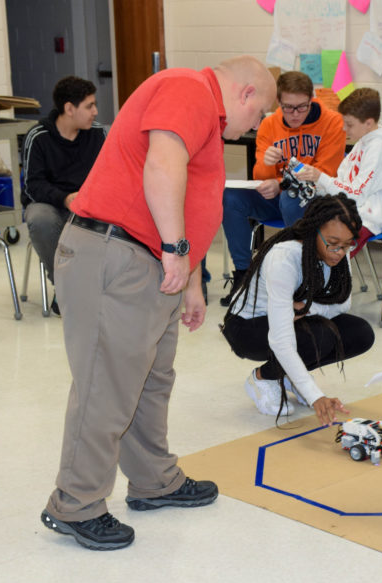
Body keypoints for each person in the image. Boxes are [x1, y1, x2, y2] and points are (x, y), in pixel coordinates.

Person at [40, 56, 276, 551]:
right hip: (116, 253)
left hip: (147, 260)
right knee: (107, 385)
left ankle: (153, 480)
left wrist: (190, 280)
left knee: (150, 379)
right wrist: (175, 250)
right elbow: (162, 167)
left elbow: (190, 196)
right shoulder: (188, 89)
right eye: (257, 119)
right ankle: (76, 504)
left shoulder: (204, 114)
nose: (250, 130)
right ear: (247, 94)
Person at [222, 194, 375, 426]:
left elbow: (343, 303)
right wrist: (316, 396)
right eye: (333, 243)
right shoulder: (284, 257)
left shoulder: (338, 252)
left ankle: (290, 375)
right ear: (314, 231)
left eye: (347, 244)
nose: (340, 252)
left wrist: (307, 309)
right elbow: (281, 339)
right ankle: (263, 378)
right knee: (318, 336)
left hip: (295, 318)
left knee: (360, 333)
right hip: (247, 327)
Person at [220, 71, 346, 305]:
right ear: (279, 102)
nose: (295, 114)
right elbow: (260, 177)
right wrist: (267, 165)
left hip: (314, 201)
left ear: (312, 98)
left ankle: (301, 273)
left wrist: (278, 184)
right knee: (231, 198)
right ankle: (243, 276)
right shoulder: (269, 124)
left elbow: (323, 172)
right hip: (278, 199)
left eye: (301, 107)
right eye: (288, 108)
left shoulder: (332, 122)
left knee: (290, 196)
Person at [22, 76, 105, 315]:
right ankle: (64, 285)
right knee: (40, 219)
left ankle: (95, 286)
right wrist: (65, 198)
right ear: (69, 109)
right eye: (89, 106)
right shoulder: (38, 137)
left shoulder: (97, 135)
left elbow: (109, 176)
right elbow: (32, 186)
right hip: (50, 205)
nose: (95, 111)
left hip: (86, 205)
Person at [295, 87, 382, 257]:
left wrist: (321, 177)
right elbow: (343, 181)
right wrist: (316, 184)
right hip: (351, 208)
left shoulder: (380, 149)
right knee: (308, 230)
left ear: (368, 123)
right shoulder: (363, 141)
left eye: (349, 124)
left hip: (370, 215)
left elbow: (356, 195)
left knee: (329, 249)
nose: (344, 129)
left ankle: (325, 280)